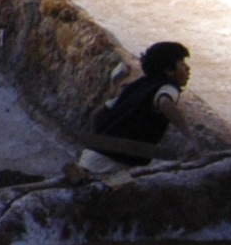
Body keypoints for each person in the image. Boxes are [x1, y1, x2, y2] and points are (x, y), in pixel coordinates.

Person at [83, 41, 197, 170]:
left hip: (90, 156)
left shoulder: (136, 86)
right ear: (169, 71)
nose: (188, 68)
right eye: (182, 64)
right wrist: (190, 137)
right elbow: (165, 102)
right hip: (113, 164)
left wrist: (100, 143)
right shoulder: (168, 86)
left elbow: (97, 115)